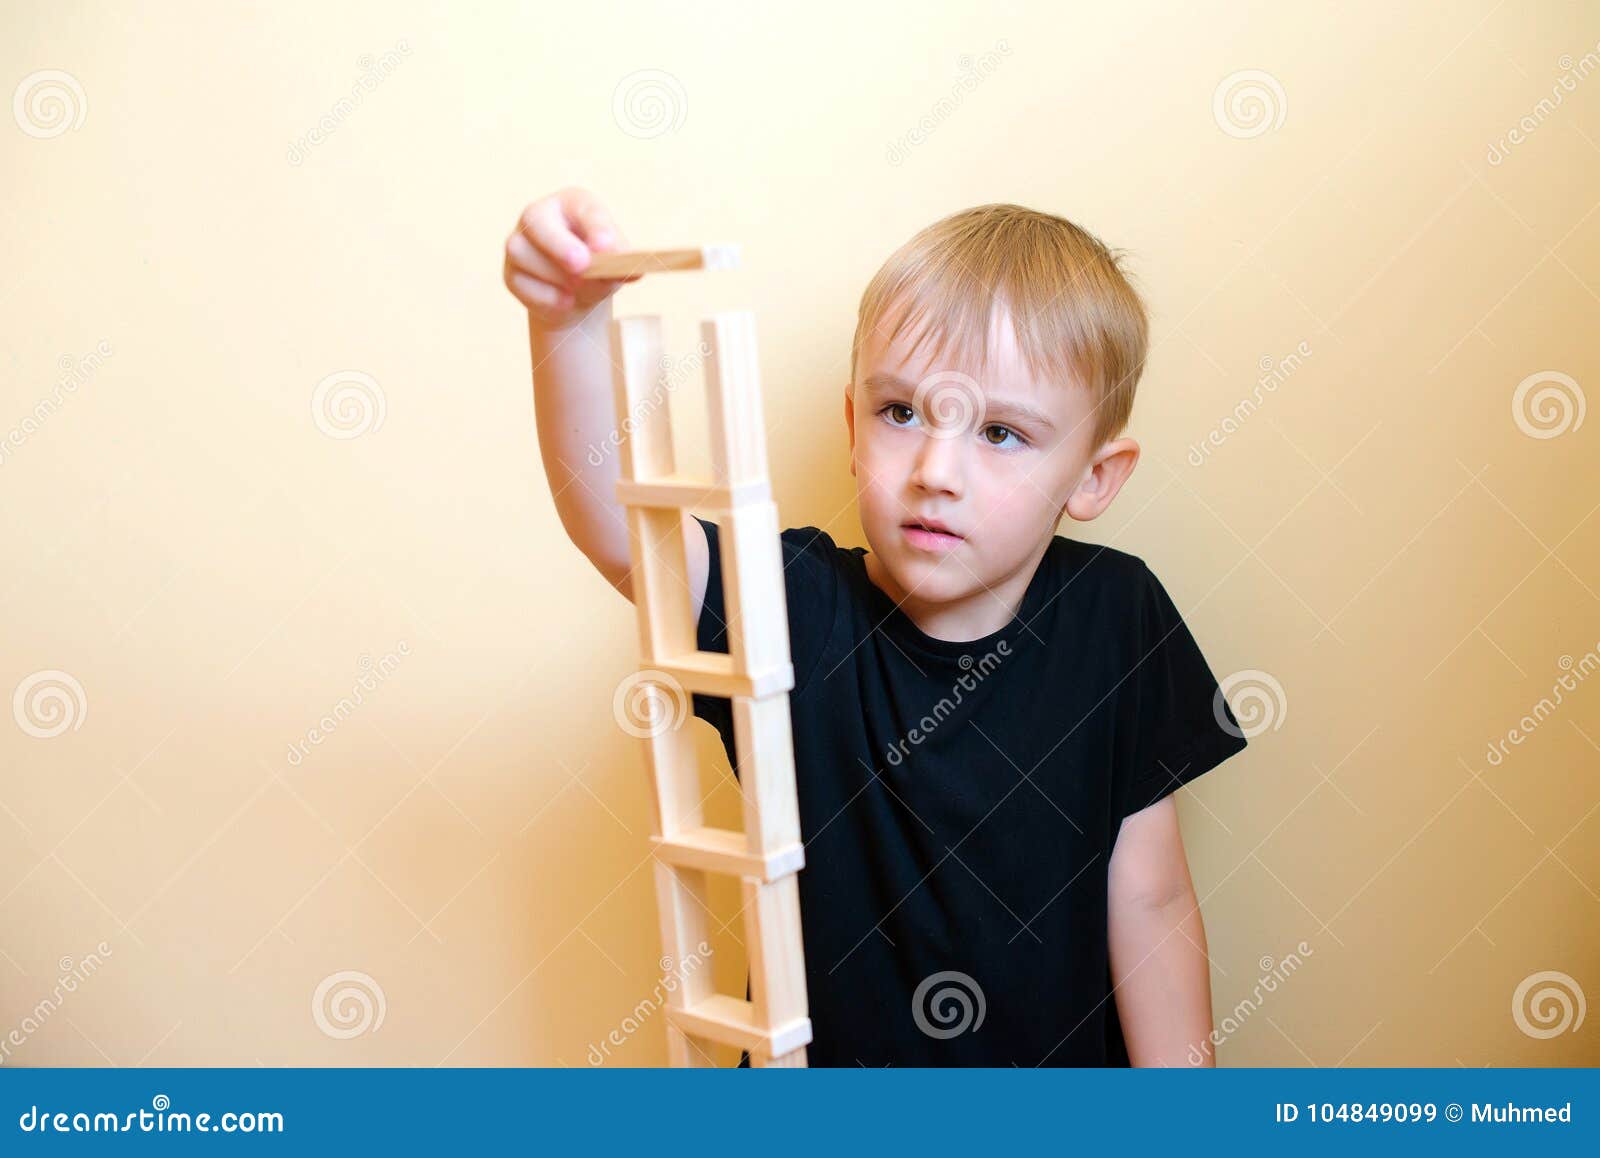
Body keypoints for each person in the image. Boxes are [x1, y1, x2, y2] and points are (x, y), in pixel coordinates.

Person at [506, 187, 1250, 1066]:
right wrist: (566, 329)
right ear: (854, 426)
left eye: (1003, 433)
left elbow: (1152, 897)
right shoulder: (793, 606)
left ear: (1093, 478)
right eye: (902, 413)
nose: (937, 471)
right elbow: (623, 534)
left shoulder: (1116, 618)